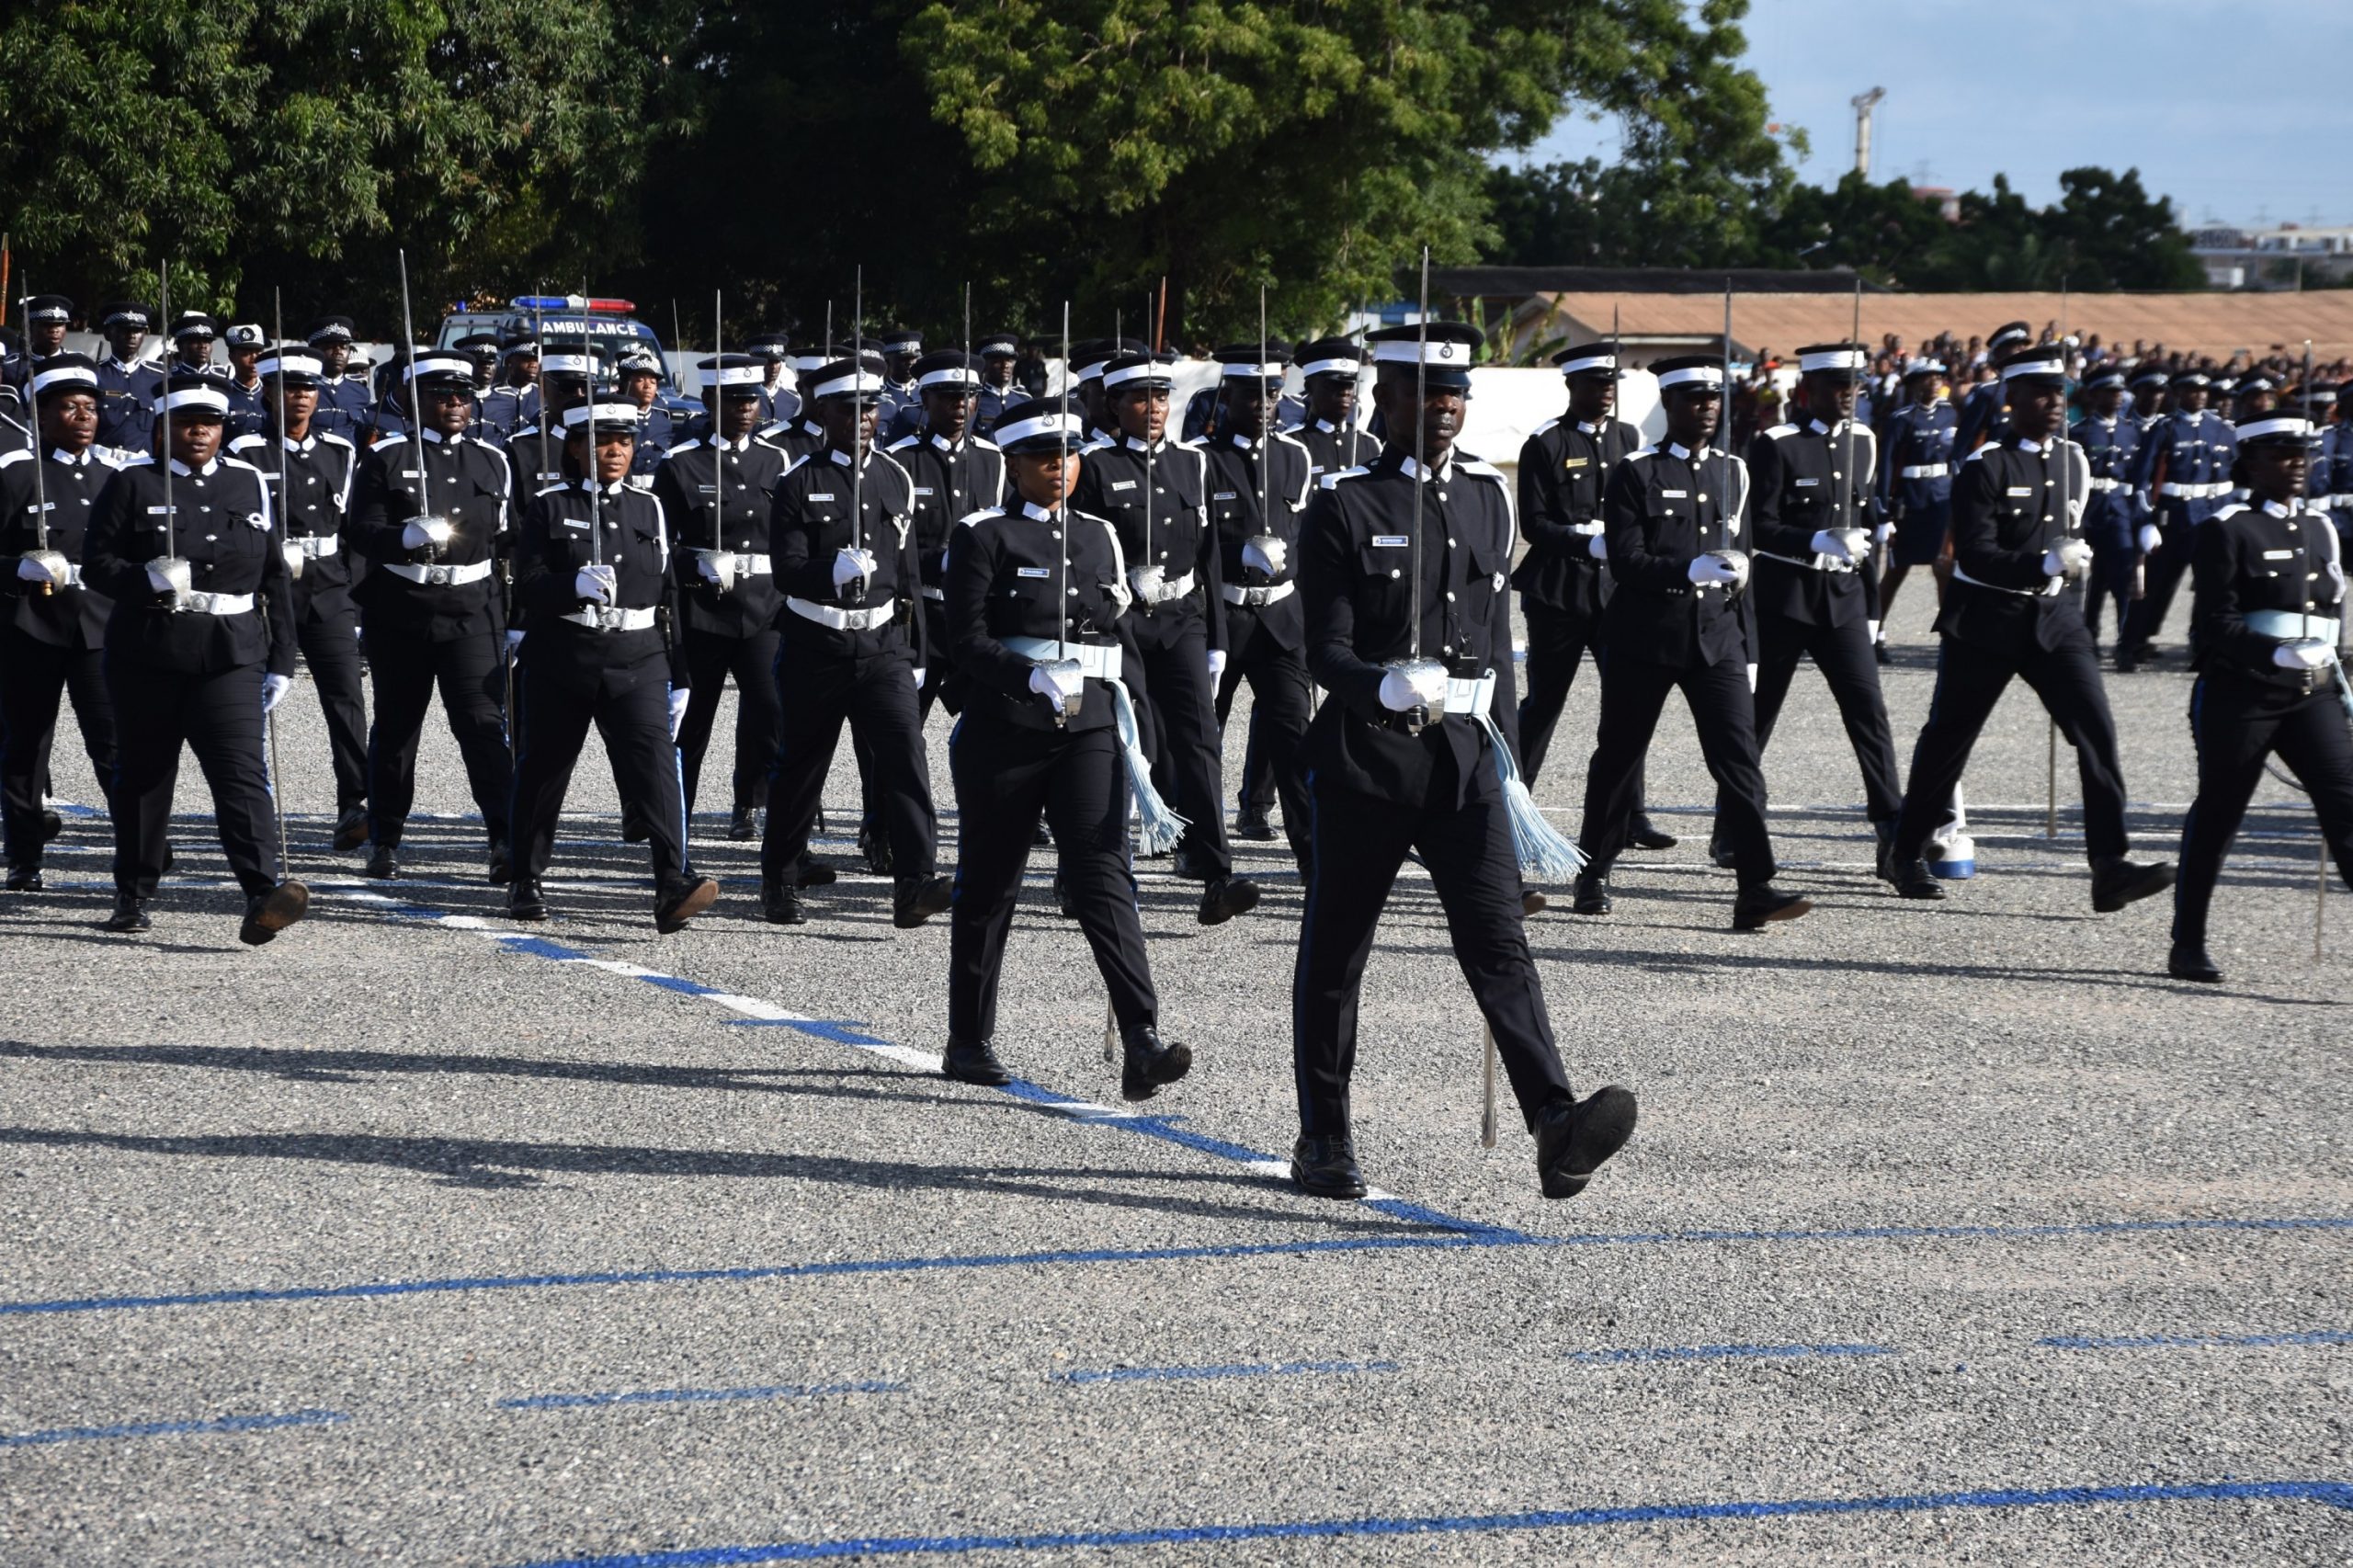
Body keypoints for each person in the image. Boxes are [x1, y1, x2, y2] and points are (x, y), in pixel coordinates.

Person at [1290, 321, 1635, 1201]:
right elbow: (1320, 649)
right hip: (1368, 762)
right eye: (1424, 392)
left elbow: (1501, 650)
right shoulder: (1341, 503)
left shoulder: (1490, 498)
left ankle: (1555, 1124)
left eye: (1455, 392)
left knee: (1500, 946)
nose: (1444, 406)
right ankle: (1323, 1135)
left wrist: (1512, 773)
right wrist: (1377, 687)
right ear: (1387, 401)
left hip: (1465, 767)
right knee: (1337, 954)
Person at [937, 393, 1193, 1099]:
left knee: (1102, 873)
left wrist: (1135, 716)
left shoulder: (1099, 535)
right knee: (990, 885)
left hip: (1087, 729)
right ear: (1013, 464)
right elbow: (964, 642)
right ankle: (968, 1038)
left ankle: (1141, 1036)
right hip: (1005, 731)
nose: (1061, 469)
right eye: (1045, 458)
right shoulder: (982, 535)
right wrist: (1027, 676)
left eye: (1070, 456)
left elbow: (1116, 638)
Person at [1882, 345, 2175, 913]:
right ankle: (1905, 851)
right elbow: (1972, 554)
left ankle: (2110, 865)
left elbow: (2072, 536)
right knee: (1949, 740)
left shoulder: (2075, 460)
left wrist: (2068, 580)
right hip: (1988, 619)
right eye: (2039, 393)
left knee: (2097, 731)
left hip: (2056, 620)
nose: (2052, 402)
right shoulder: (1984, 464)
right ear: (2010, 399)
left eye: (2059, 392)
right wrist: (2039, 563)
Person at [1569, 355, 1813, 930]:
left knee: (1740, 762)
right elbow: (1626, 562)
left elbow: (1744, 563)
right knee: (1619, 758)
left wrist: (1748, 649)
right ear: (1670, 406)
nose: (1706, 409)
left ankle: (1756, 885)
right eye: (1694, 400)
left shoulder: (1733, 471)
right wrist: (1689, 569)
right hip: (1644, 638)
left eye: (1713, 400)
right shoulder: (1635, 473)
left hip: (1717, 640)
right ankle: (1594, 870)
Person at [80, 370, 309, 942]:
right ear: (162, 430)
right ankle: (132, 891)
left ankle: (261, 891)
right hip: (149, 650)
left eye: (208, 424)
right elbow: (96, 565)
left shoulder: (249, 480)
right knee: (144, 775)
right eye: (185, 424)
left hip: (230, 650)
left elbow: (273, 575)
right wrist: (145, 579)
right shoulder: (132, 484)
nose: (199, 433)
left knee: (240, 774)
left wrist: (284, 656)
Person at [756, 355, 951, 929]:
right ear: (824, 411)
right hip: (817, 643)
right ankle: (782, 877)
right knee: (801, 767)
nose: (863, 417)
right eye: (850, 408)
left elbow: (910, 571)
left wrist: (915, 652)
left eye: (870, 407)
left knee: (906, 760)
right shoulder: (798, 480)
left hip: (883, 645)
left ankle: (914, 880)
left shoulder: (896, 476)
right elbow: (786, 570)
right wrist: (830, 574)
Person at [506, 400, 717, 930]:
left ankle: (673, 881)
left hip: (638, 653)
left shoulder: (649, 507)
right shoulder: (548, 506)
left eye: (623, 441)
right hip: (566, 655)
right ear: (576, 448)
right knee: (545, 768)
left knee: (656, 766)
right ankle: (525, 877)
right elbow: (527, 585)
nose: (615, 450)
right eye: (602, 441)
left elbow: (669, 594)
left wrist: (681, 673)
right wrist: (570, 587)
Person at [2168, 410, 2352, 983]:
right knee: (2221, 814)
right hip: (2242, 695)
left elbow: (2332, 607)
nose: (2297, 464)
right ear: (2250, 462)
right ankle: (2188, 943)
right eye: (2280, 454)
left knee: (2347, 808)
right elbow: (2212, 624)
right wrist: (2273, 651)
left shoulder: (2321, 526)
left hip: (2312, 695)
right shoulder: (2227, 527)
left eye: (2303, 453)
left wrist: (2334, 663)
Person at [1718, 343, 1902, 866]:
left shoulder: (1864, 440)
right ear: (1809, 391)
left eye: (1855, 387)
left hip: (1842, 601)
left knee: (1868, 713)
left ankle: (1893, 835)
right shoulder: (1776, 444)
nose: (1849, 396)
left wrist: (1871, 605)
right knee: (1757, 716)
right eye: (1838, 387)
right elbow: (1760, 527)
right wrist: (1815, 540)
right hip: (1787, 599)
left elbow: (1866, 512)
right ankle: (1732, 823)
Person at [346, 355, 517, 881]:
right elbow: (358, 531)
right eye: (443, 395)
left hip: (473, 609)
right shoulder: (385, 457)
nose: (456, 405)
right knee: (397, 729)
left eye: (463, 396)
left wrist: (519, 618)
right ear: (416, 400)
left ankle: (505, 838)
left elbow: (509, 539)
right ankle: (386, 838)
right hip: (403, 608)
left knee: (484, 726)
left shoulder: (494, 460)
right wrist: (402, 539)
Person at [1512, 341, 1673, 845]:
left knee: (1629, 703)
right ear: (1571, 386)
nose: (1605, 393)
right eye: (1595, 384)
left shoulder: (1629, 438)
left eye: (1611, 384)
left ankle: (1630, 813)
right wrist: (1587, 538)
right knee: (1544, 703)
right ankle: (1515, 803)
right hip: (1559, 591)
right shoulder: (1546, 442)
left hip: (1616, 593)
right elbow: (1534, 525)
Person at [227, 344, 369, 851]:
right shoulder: (244, 451)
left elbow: (355, 529)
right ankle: (257, 808)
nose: (300, 397)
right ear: (267, 392)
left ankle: (356, 802)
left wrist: (350, 589)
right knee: (253, 699)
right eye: (288, 387)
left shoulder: (341, 451)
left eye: (308, 387)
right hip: (268, 589)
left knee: (345, 696)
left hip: (328, 587)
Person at [652, 353, 788, 839]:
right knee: (693, 720)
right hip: (702, 611)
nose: (745, 408)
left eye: (751, 399)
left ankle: (750, 804)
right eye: (734, 400)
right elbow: (659, 544)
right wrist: (695, 563)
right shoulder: (679, 463)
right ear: (710, 400)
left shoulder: (777, 460)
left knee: (768, 712)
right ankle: (675, 816)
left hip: (763, 609)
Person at [0, 354, 122, 890]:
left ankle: (140, 846)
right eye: (69, 407)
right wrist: (17, 567)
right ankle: (25, 857)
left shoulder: (119, 475)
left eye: (90, 408)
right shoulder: (16, 473)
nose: (83, 416)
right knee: (26, 745)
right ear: (41, 415)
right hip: (31, 626)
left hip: (99, 627)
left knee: (115, 744)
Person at [1200, 341, 1315, 867]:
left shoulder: (1296, 455)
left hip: (1280, 619)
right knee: (1204, 737)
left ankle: (1312, 851)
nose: (1264, 402)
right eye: (1251, 393)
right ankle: (1197, 844)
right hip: (1220, 616)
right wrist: (1235, 552)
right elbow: (1187, 546)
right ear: (1228, 394)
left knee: (1294, 737)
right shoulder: (1202, 460)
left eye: (1272, 392)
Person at [886, 347, 1006, 722]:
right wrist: (937, 561)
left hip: (977, 617)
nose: (960, 405)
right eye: (949, 396)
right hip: (920, 616)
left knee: (990, 728)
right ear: (925, 398)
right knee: (901, 730)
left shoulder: (994, 459)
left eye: (968, 396)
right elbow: (889, 547)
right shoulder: (898, 461)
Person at [2120, 369, 2236, 672]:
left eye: (2202, 390)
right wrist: (2145, 519)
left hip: (2211, 518)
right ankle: (2134, 642)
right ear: (2179, 394)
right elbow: (2141, 478)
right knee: (2157, 584)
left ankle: (2202, 643)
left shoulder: (2222, 429)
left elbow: (2232, 476)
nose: (2198, 395)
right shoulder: (2165, 427)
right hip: (2173, 518)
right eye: (2191, 390)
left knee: (2210, 585)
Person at [1874, 358, 1958, 661]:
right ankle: (1875, 633)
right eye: (1926, 377)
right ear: (1913, 384)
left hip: (1941, 500)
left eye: (1938, 376)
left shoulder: (1951, 414)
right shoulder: (1901, 418)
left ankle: (1949, 637)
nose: (1934, 381)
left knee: (1944, 569)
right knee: (1896, 570)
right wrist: (1883, 511)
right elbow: (1885, 468)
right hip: (1911, 502)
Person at [2072, 365, 2143, 652]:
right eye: (2109, 392)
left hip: (2119, 510)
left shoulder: (2132, 432)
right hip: (2088, 509)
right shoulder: (2080, 432)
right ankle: (2085, 634)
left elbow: (2138, 475)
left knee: (2122, 575)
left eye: (2119, 392)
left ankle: (2126, 641)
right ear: (2094, 395)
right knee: (2083, 576)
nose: (2117, 397)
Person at [92, 301, 161, 453]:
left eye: (137, 330)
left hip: (141, 465)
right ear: (108, 333)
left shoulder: (159, 378)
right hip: (101, 462)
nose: (131, 335)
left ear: (144, 334)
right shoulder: (94, 374)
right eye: (124, 330)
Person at [1, 293, 74, 411]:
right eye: (47, 324)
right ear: (29, 327)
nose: (54, 330)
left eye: (60, 324)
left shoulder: (75, 365)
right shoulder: (10, 367)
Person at [304, 316, 371, 442]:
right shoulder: (305, 388)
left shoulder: (361, 393)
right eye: (330, 346)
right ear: (314, 350)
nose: (338, 352)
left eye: (344, 347)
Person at [973, 332, 1021, 435]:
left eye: (1009, 360)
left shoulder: (1022, 400)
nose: (1005, 365)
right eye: (998, 361)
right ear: (985, 365)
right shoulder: (974, 402)